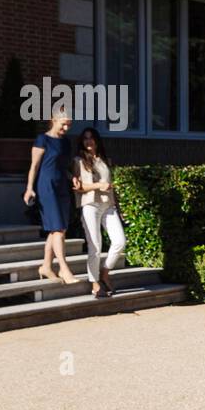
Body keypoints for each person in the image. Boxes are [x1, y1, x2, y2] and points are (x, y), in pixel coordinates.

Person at [23, 109, 78, 284]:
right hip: (46, 187)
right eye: (64, 124)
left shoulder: (67, 142)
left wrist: (73, 177)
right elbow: (34, 166)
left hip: (62, 186)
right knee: (58, 229)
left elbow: (65, 166)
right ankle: (64, 268)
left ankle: (46, 266)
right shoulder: (43, 140)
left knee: (58, 229)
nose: (66, 127)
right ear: (53, 120)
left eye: (69, 124)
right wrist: (29, 188)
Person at [73, 127, 127, 299]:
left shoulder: (105, 160)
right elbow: (79, 187)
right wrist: (98, 186)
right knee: (95, 246)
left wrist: (119, 208)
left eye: (91, 138)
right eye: (85, 139)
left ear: (97, 141)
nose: (89, 141)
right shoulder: (79, 161)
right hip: (90, 205)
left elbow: (112, 186)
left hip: (108, 205)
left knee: (120, 241)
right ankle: (95, 283)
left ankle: (104, 271)